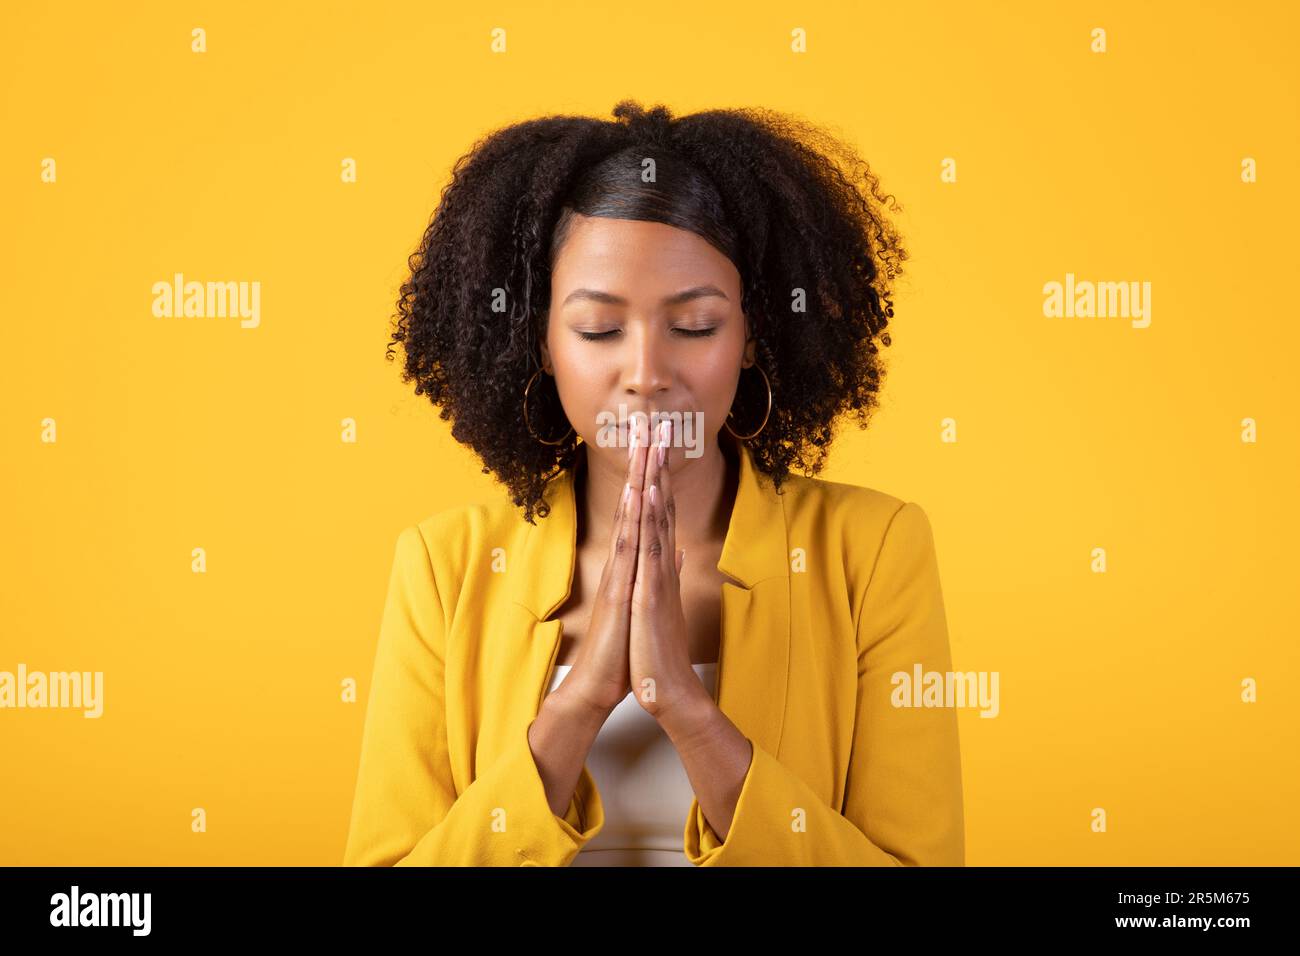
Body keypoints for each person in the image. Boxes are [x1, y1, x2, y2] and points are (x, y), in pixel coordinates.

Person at [343, 100, 964, 866]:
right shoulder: (445, 569)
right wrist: (580, 704)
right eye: (599, 330)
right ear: (538, 345)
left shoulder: (872, 553)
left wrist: (684, 705)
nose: (646, 375)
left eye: (696, 326)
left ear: (748, 339)